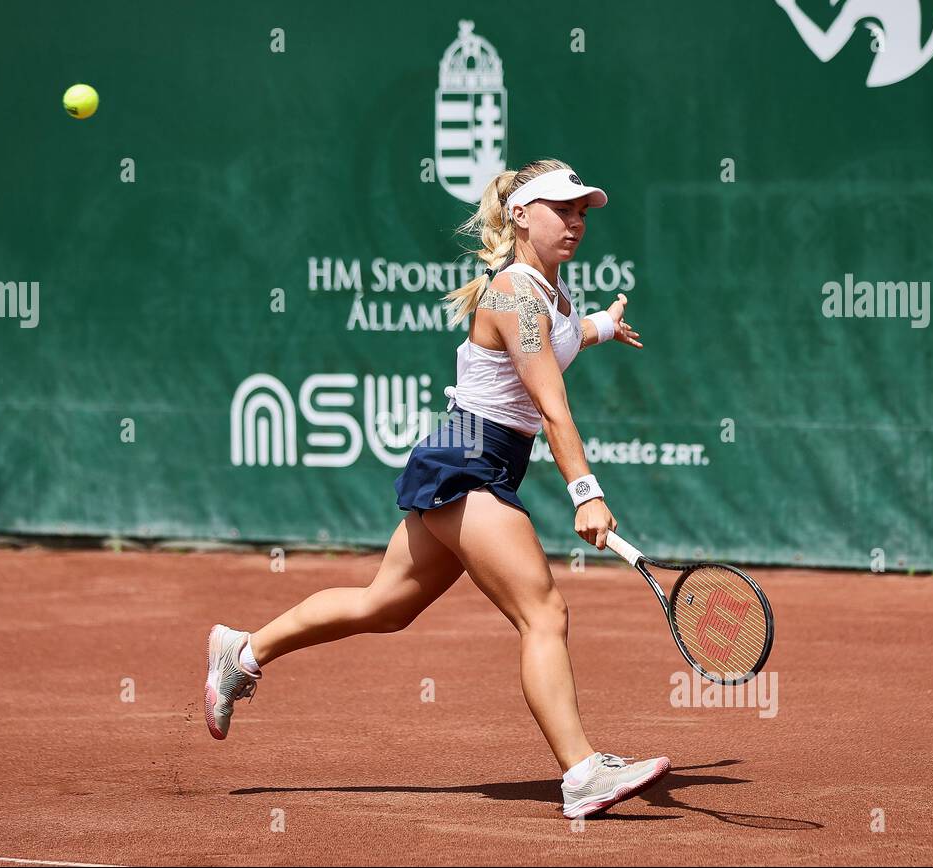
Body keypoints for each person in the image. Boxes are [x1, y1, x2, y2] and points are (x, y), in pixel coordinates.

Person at [205, 158, 670, 819]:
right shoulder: (510, 294)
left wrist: (603, 324)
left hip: (475, 461)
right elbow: (552, 402)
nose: (575, 221)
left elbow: (567, 334)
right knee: (543, 613)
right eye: (561, 209)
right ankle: (581, 774)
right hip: (467, 461)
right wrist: (584, 492)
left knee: (384, 606)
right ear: (519, 215)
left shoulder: (551, 294)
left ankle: (242, 650)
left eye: (583, 211)